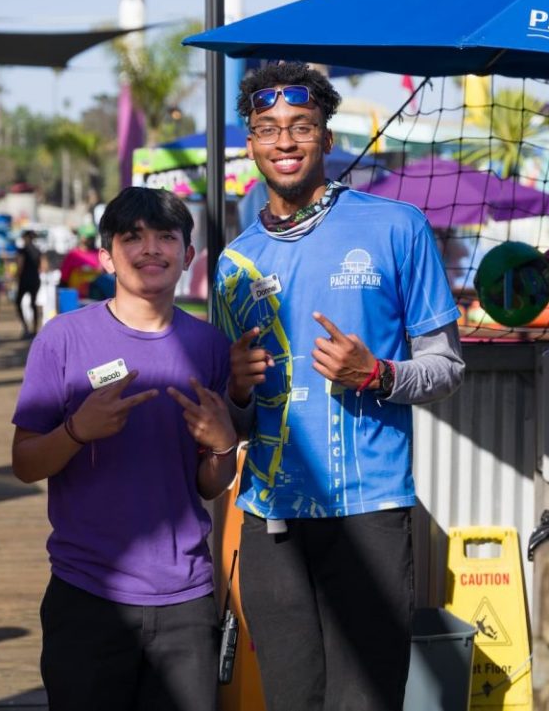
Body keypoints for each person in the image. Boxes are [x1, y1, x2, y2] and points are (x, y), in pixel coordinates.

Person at [213, 62, 465, 711]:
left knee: (366, 700)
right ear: (251, 144)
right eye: (269, 128)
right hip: (270, 517)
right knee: (292, 700)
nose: (285, 141)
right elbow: (236, 419)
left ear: (327, 139)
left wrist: (376, 374)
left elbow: (447, 366)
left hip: (370, 511)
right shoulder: (234, 263)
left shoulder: (396, 226)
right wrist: (236, 392)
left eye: (301, 126)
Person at [11, 187, 236, 711]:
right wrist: (76, 431)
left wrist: (224, 448)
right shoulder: (62, 339)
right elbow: (24, 464)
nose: (150, 249)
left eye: (165, 237)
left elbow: (207, 482)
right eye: (132, 237)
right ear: (106, 255)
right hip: (88, 593)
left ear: (189, 255)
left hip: (187, 599)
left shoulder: (209, 347)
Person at [59, 222, 103, 298]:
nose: (91, 240)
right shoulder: (73, 255)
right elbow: (63, 280)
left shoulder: (100, 254)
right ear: (81, 237)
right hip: (76, 300)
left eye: (93, 237)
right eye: (89, 237)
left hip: (96, 300)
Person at [17, 229, 43, 337]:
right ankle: (35, 329)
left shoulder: (23, 250)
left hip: (24, 279)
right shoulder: (38, 250)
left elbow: (20, 265)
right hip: (35, 279)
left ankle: (26, 327)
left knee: (18, 302)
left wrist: (16, 277)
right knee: (33, 303)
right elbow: (43, 266)